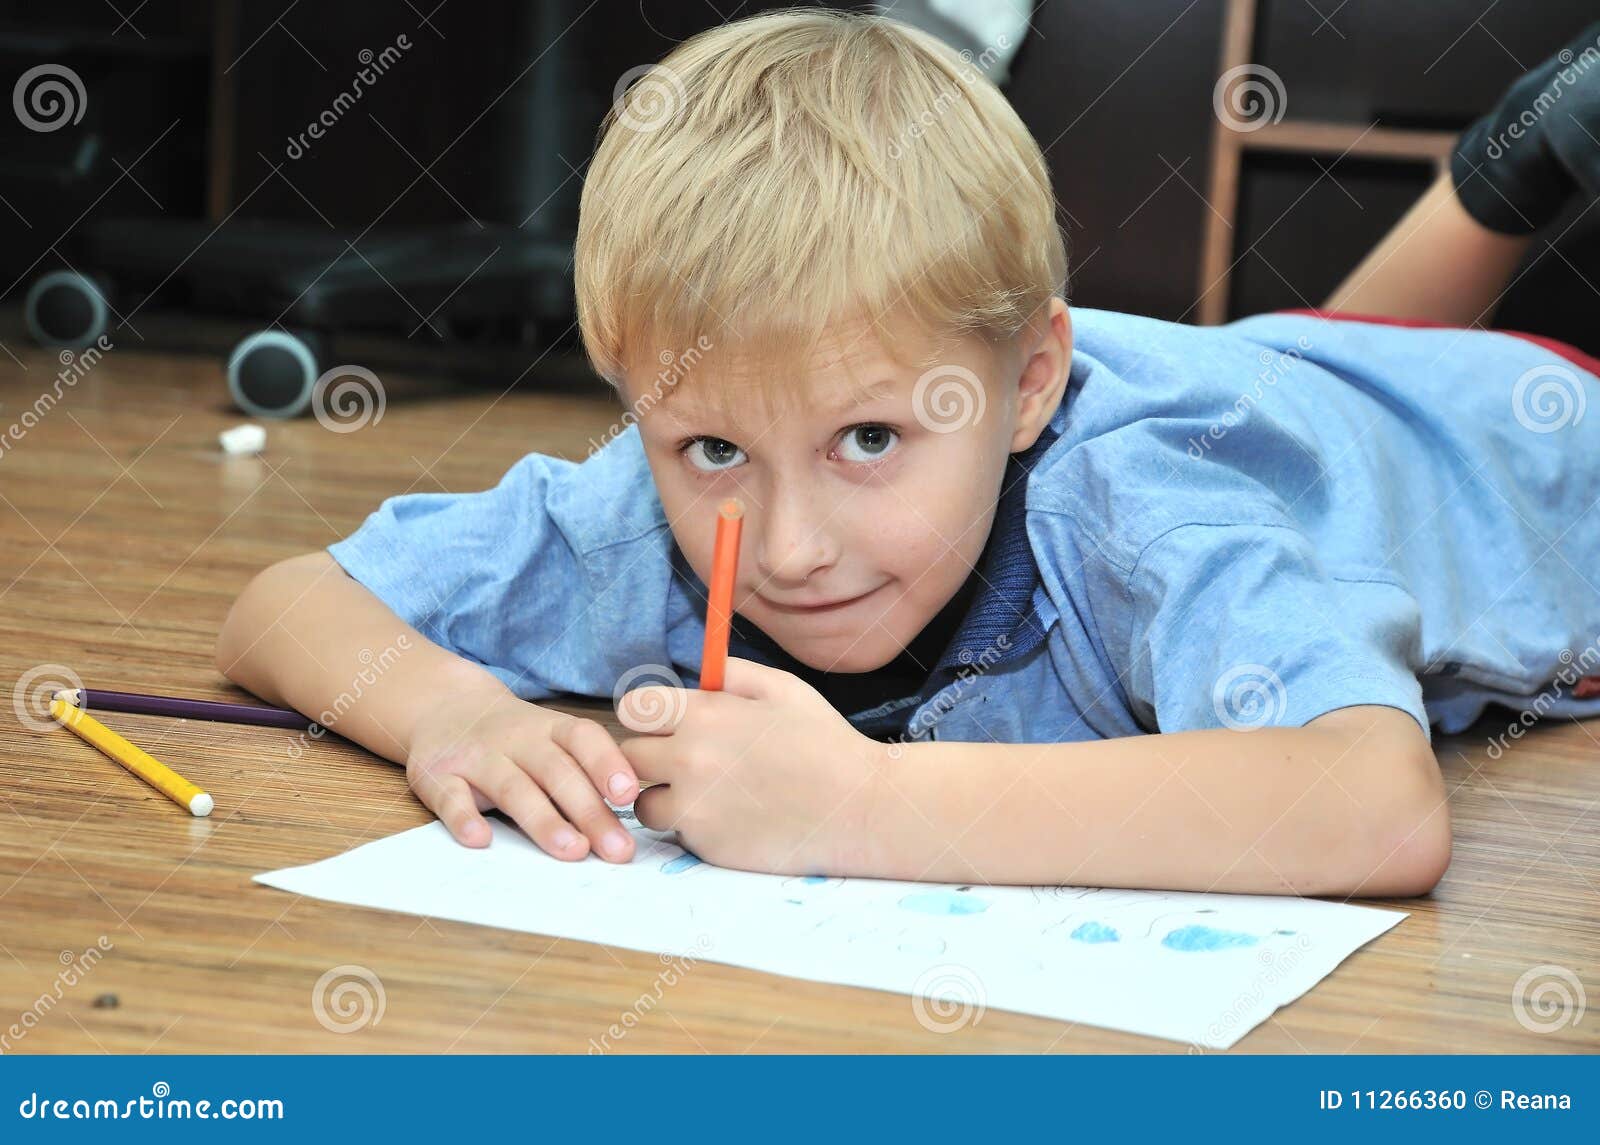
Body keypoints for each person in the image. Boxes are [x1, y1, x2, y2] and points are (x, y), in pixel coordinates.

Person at [216, 11, 1600, 896]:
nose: (793, 540)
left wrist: (866, 802)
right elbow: (283, 602)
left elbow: (1373, 806)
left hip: (1546, 452)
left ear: (1026, 385)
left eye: (869, 437)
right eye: (707, 447)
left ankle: (1525, 160)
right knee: (1297, 391)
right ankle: (1520, 161)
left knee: (1308, 409)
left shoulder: (1144, 501)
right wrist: (455, 710)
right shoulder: (654, 508)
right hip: (1299, 394)